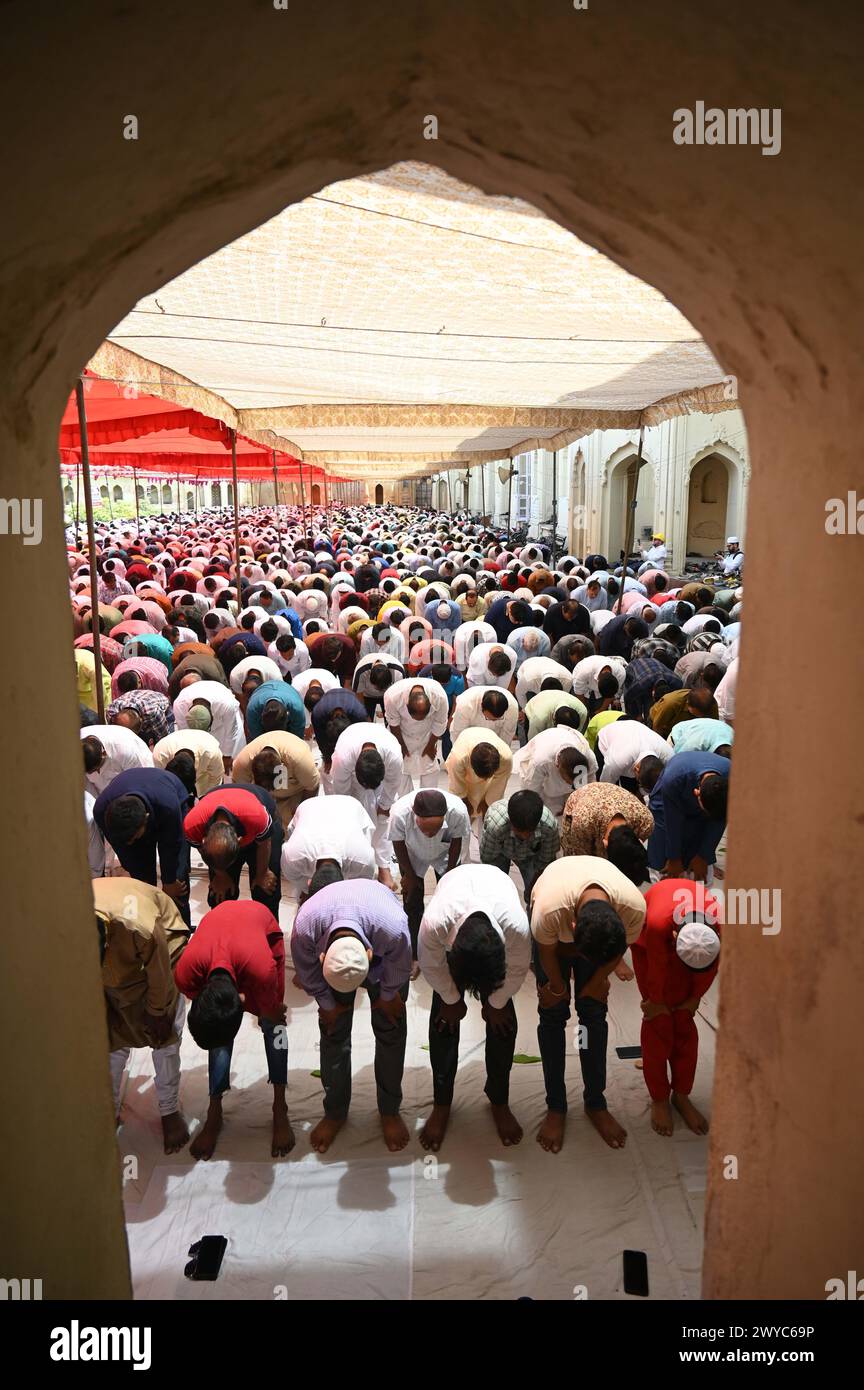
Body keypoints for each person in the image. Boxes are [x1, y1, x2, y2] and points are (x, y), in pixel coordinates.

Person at [530, 856, 647, 1152]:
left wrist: (596, 982)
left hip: (596, 930)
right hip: (553, 932)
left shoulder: (633, 909)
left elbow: (617, 947)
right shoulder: (549, 910)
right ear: (572, 925)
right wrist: (557, 987)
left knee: (593, 1016)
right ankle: (556, 1105)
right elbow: (547, 952)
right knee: (553, 1016)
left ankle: (595, 1102)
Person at [291, 875, 413, 1152]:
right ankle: (334, 1112)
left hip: (378, 937)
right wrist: (328, 1004)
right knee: (333, 1029)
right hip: (342, 933)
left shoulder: (393, 928)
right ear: (322, 957)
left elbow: (401, 963)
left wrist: (387, 995)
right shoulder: (304, 928)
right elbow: (308, 974)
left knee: (391, 1026)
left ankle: (389, 1110)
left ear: (370, 954)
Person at [418, 864, 531, 1151]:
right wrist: (452, 999)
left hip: (495, 889)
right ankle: (442, 1103)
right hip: (457, 893)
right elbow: (431, 965)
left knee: (503, 1023)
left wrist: (497, 1001)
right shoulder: (435, 922)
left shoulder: (516, 925)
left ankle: (499, 1099)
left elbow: (517, 968)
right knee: (443, 1020)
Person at [174, 899, 292, 1160]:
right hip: (222, 923)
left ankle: (280, 1106)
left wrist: (265, 1011)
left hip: (259, 924)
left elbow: (272, 1010)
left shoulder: (263, 970)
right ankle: (214, 1110)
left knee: (275, 1027)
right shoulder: (185, 974)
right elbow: (213, 1011)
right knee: (218, 1025)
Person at [94, 876, 190, 1154]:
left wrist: (157, 1011)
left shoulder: (140, 926)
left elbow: (159, 971)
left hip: (163, 949)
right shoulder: (65, 923)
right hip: (112, 978)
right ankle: (108, 1110)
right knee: (109, 1041)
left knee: (165, 1040)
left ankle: (169, 1111)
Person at [631, 879, 721, 1136]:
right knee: (657, 1024)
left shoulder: (720, 922)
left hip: (691, 936)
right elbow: (657, 968)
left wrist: (694, 998)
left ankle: (681, 1095)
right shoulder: (659, 926)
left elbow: (709, 967)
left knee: (683, 1021)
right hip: (649, 940)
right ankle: (659, 1097)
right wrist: (656, 1003)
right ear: (674, 938)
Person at [93, 767, 192, 925]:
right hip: (138, 808)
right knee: (143, 883)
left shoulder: (168, 806)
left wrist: (169, 881)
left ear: (146, 819)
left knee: (177, 881)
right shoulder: (101, 811)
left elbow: (172, 845)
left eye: (134, 838)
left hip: (171, 798)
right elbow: (124, 849)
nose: (130, 843)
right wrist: (139, 877)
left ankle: (181, 932)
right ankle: (149, 930)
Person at [388, 788, 470, 957]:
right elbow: (398, 843)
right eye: (425, 830)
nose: (430, 835)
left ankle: (448, 947)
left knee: (451, 902)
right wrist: (409, 876)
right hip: (412, 853)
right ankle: (415, 954)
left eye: (435, 830)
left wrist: (449, 874)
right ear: (414, 816)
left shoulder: (458, 812)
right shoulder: (399, 814)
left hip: (444, 853)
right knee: (412, 901)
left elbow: (456, 842)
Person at [184, 784, 283, 915]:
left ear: (240, 841)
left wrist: (262, 873)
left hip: (262, 827)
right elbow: (205, 853)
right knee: (219, 895)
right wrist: (221, 875)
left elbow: (265, 843)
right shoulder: (192, 827)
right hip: (229, 811)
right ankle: (222, 932)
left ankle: (268, 933)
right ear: (204, 839)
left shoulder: (256, 816)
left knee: (265, 890)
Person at [329, 721, 404, 887]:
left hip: (378, 778)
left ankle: (384, 868)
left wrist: (384, 807)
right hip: (352, 781)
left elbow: (392, 785)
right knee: (352, 822)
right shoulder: (343, 758)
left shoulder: (394, 757)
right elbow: (342, 795)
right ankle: (357, 866)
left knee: (384, 818)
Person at [647, 750, 730, 881]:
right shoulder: (673, 779)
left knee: (699, 865)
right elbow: (672, 822)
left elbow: (720, 819)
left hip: (710, 802)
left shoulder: (732, 777)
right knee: (663, 863)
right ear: (696, 793)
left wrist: (703, 855)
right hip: (666, 801)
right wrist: (674, 858)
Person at [479, 789, 560, 906]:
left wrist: (533, 888)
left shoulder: (549, 826)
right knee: (495, 890)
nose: (524, 836)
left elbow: (545, 861)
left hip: (531, 855)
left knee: (539, 894)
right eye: (519, 831)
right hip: (500, 852)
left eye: (529, 832)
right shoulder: (496, 825)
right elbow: (488, 860)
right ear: (510, 821)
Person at [281, 795, 377, 892]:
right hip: (309, 807)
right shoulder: (292, 858)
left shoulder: (364, 861)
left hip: (351, 806)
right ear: (309, 882)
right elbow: (299, 883)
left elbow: (358, 891)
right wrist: (306, 891)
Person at [560, 783, 652, 884]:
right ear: (604, 843)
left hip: (612, 798)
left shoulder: (646, 822)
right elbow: (583, 860)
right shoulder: (582, 822)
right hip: (583, 799)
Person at [230, 729, 320, 827]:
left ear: (282, 769)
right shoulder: (242, 763)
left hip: (297, 793)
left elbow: (312, 786)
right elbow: (240, 794)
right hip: (265, 797)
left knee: (297, 826)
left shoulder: (300, 759)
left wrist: (300, 810)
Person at [511, 726, 596, 815]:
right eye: (567, 780)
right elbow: (532, 790)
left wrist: (571, 805)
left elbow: (588, 786)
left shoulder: (588, 757)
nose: (570, 784)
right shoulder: (540, 761)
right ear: (557, 766)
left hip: (566, 736)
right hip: (545, 740)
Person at [383, 676, 449, 792]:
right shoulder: (392, 697)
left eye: (422, 716)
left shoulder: (440, 697)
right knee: (400, 769)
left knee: (430, 769)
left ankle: (427, 801)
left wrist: (430, 745)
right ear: (407, 706)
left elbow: (440, 723)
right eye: (415, 717)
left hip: (427, 733)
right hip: (401, 733)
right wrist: (401, 746)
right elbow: (394, 723)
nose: (418, 720)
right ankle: (405, 801)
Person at [172, 679, 245, 772]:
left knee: (231, 762)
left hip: (224, 727)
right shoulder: (179, 705)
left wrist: (227, 756)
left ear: (211, 715)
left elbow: (231, 732)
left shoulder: (226, 704)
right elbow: (186, 735)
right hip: (195, 734)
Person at [445, 727, 512, 820]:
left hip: (488, 736)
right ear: (471, 766)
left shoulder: (506, 758)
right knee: (462, 809)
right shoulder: (458, 758)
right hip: (467, 736)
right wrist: (464, 801)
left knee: (490, 809)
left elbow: (499, 784)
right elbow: (456, 783)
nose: (484, 780)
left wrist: (488, 803)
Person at [596, 718, 671, 789]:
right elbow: (605, 787)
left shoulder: (668, 756)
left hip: (635, 734)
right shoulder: (617, 760)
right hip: (607, 739)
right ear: (637, 769)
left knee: (631, 789)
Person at [151, 726, 225, 799]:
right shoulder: (160, 756)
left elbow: (216, 779)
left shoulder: (212, 753)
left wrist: (208, 799)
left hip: (206, 783)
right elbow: (165, 781)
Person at [81, 723, 154, 795]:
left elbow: (143, 784)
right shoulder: (75, 740)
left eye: (96, 770)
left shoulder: (129, 750)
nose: (97, 772)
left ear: (104, 754)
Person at [449, 684, 519, 746]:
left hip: (495, 737)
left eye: (497, 719)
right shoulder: (465, 705)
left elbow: (507, 735)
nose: (493, 721)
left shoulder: (512, 708)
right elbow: (458, 734)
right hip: (470, 734)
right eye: (489, 718)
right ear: (482, 706)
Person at [650, 682, 719, 739]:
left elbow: (713, 727)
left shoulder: (711, 704)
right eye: (698, 714)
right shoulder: (671, 703)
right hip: (661, 724)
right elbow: (657, 728)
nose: (701, 717)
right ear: (688, 704)